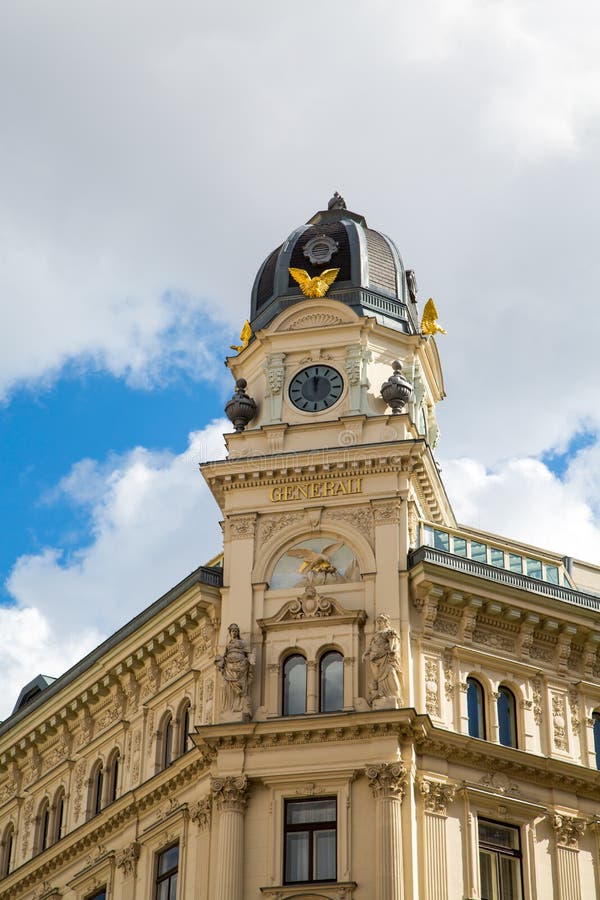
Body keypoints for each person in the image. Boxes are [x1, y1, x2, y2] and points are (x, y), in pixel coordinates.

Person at [214, 623, 254, 714]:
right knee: (226, 686)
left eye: (236, 631)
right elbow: (224, 656)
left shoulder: (243, 643)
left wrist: (251, 660)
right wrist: (220, 662)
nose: (234, 632)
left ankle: (239, 705)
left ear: (238, 632)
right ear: (230, 632)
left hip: (241, 666)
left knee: (241, 686)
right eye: (233, 631)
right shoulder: (228, 644)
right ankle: (231, 707)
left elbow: (248, 653)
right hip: (229, 667)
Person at [363, 614, 402, 703]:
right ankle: (382, 693)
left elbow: (394, 643)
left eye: (380, 621)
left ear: (386, 622)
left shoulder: (390, 632)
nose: (379, 623)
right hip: (375, 658)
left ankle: (395, 695)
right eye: (378, 621)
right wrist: (365, 653)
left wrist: (392, 650)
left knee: (391, 674)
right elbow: (372, 645)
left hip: (386, 656)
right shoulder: (376, 634)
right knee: (379, 678)